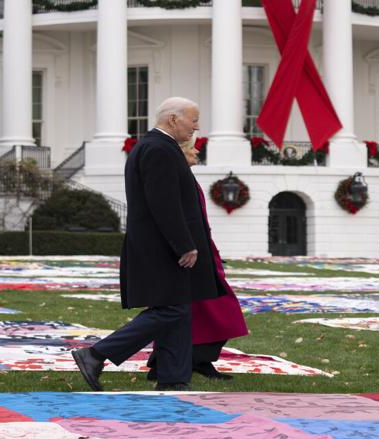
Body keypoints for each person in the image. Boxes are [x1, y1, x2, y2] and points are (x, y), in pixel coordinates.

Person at [70, 96, 221, 391]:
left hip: (161, 246)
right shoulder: (158, 149)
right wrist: (184, 244)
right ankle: (96, 354)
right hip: (161, 248)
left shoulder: (159, 147)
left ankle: (173, 379)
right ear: (173, 119)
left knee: (178, 308)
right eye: (193, 120)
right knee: (173, 310)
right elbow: (164, 203)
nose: (196, 127)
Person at [146, 136, 248, 382]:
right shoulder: (178, 178)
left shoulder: (187, 177)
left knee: (200, 311)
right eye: (192, 149)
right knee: (215, 310)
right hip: (189, 254)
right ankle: (184, 361)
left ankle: (181, 361)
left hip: (201, 251)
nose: (197, 152)